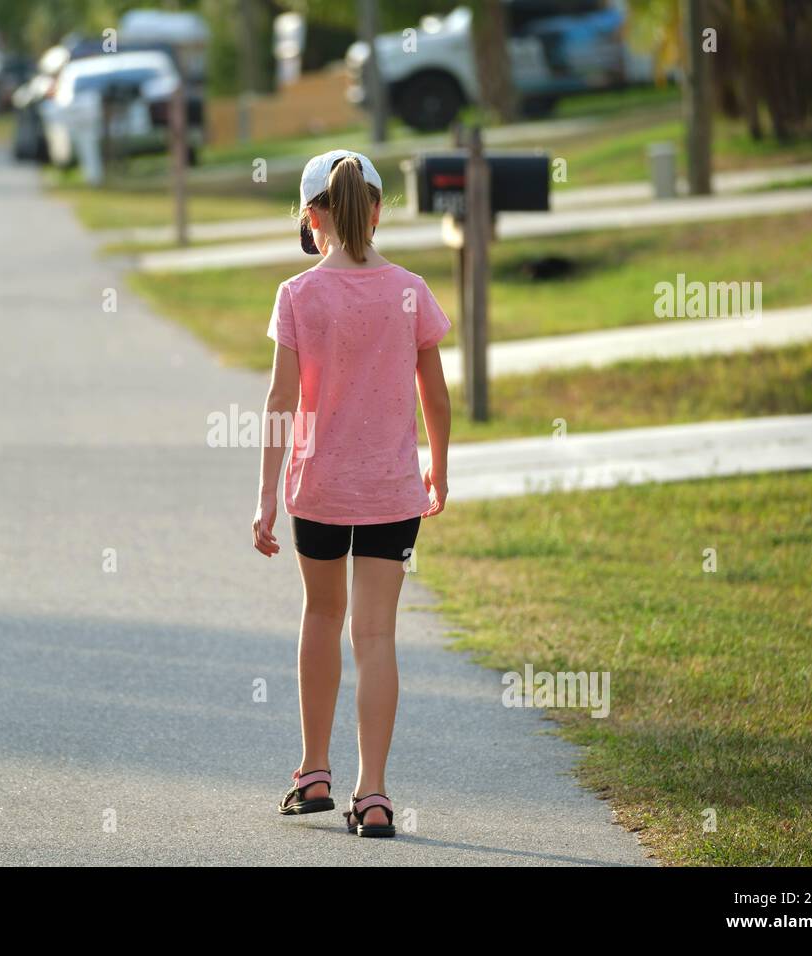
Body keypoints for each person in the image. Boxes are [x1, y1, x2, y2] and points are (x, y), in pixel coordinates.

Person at [252, 149, 452, 838]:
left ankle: (312, 773)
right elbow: (436, 393)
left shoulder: (297, 295)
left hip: (320, 491)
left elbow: (280, 401)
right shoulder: (410, 289)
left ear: (312, 220)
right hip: (392, 492)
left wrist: (265, 496)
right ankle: (373, 796)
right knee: (376, 635)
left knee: (320, 617)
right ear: (375, 209)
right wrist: (440, 469)